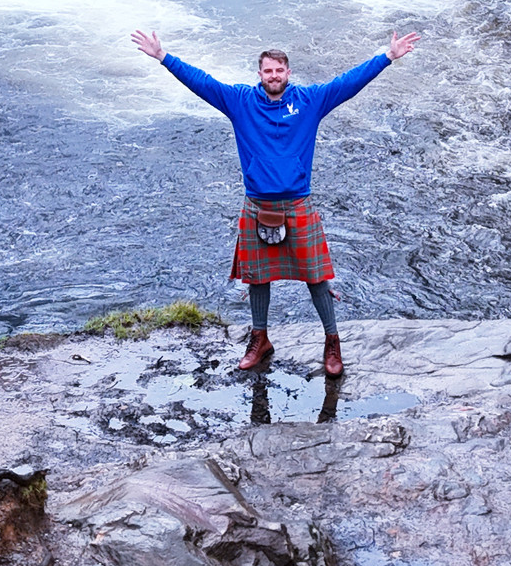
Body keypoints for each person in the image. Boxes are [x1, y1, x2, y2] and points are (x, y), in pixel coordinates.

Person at [130, 29, 421, 377]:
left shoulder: (310, 101)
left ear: (288, 73)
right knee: (257, 278)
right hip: (258, 204)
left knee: (317, 278)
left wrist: (386, 58)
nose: (274, 76)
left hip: (298, 203)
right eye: (268, 71)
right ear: (259, 74)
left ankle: (332, 343)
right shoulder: (240, 102)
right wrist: (164, 58)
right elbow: (202, 83)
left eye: (279, 71)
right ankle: (260, 338)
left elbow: (348, 83)